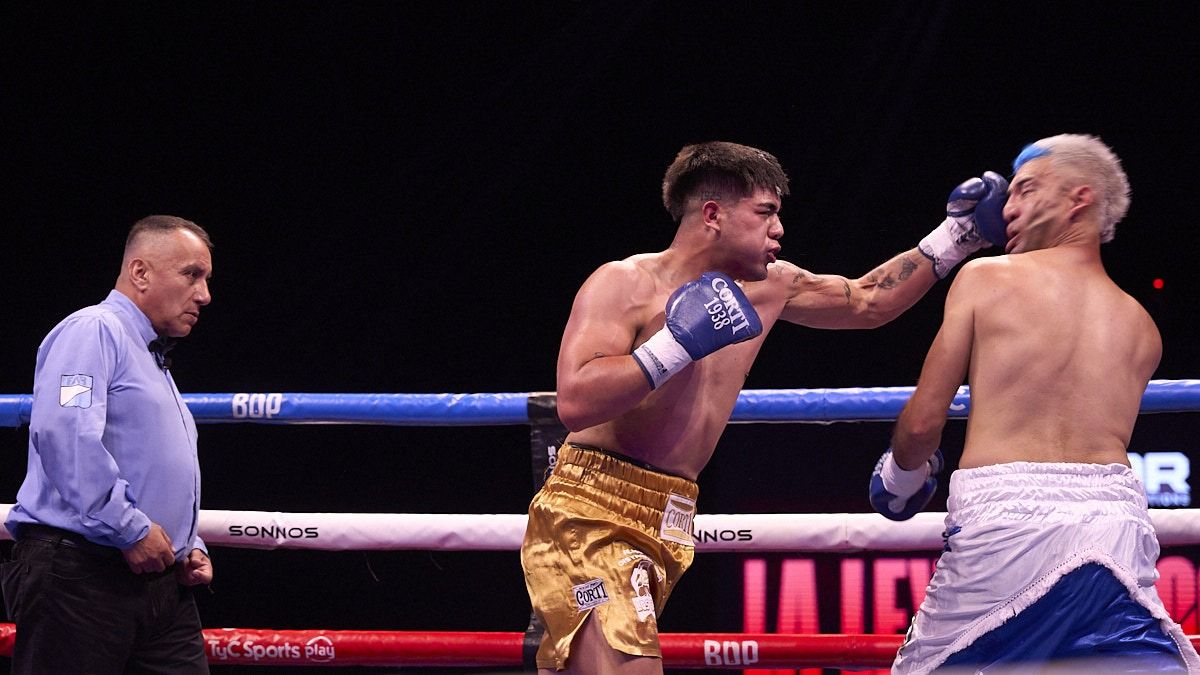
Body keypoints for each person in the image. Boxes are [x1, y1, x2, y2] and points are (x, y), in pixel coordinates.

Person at [521, 140, 1007, 674]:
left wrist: (958, 237)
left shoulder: (771, 287)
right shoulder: (627, 283)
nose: (778, 229)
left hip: (670, 513)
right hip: (590, 512)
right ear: (712, 214)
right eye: (765, 213)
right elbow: (575, 400)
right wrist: (674, 345)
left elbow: (868, 301)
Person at [871, 134, 1200, 673]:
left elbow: (924, 422)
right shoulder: (1142, 326)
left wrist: (902, 479)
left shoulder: (985, 278)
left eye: (1025, 190)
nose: (1007, 210)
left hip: (1004, 524)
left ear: (1080, 198)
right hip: (1114, 525)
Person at [2, 215, 215, 674]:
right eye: (192, 274)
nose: (204, 295)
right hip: (82, 575)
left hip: (158, 584)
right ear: (140, 273)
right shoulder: (92, 332)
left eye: (206, 279)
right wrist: (130, 528)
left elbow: (152, 461)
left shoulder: (150, 354)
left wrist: (187, 543)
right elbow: (65, 433)